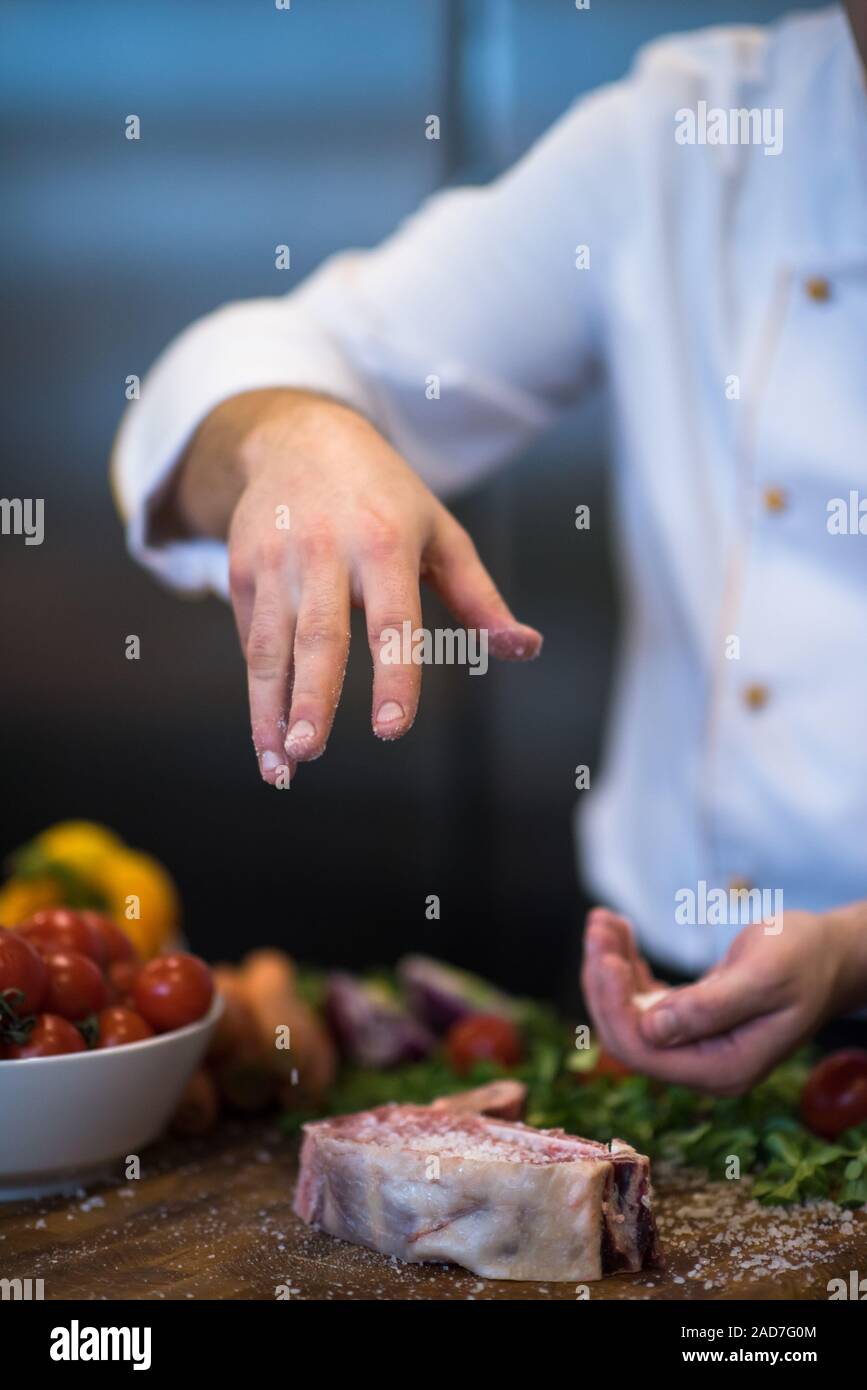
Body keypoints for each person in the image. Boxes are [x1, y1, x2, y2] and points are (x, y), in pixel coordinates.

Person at [112, 5, 867, 1094]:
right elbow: (265, 366)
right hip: (659, 986)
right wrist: (293, 435)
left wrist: (847, 950)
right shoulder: (704, 134)